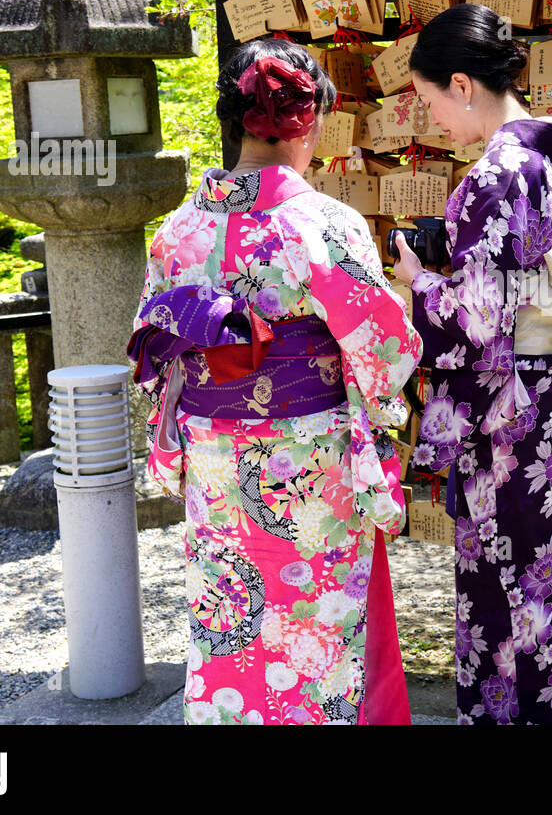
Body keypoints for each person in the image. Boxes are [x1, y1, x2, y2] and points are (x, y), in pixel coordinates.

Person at [128, 37, 422, 725]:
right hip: (306, 464)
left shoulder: (177, 230)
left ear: (232, 119)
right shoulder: (320, 222)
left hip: (211, 459)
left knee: (227, 623)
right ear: (310, 119)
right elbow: (384, 350)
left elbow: (157, 355)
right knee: (310, 630)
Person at [392, 2, 552, 724]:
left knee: (505, 594)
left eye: (432, 99)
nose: (433, 117)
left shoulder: (497, 173)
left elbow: (476, 318)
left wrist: (418, 281)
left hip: (512, 415)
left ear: (462, 84)